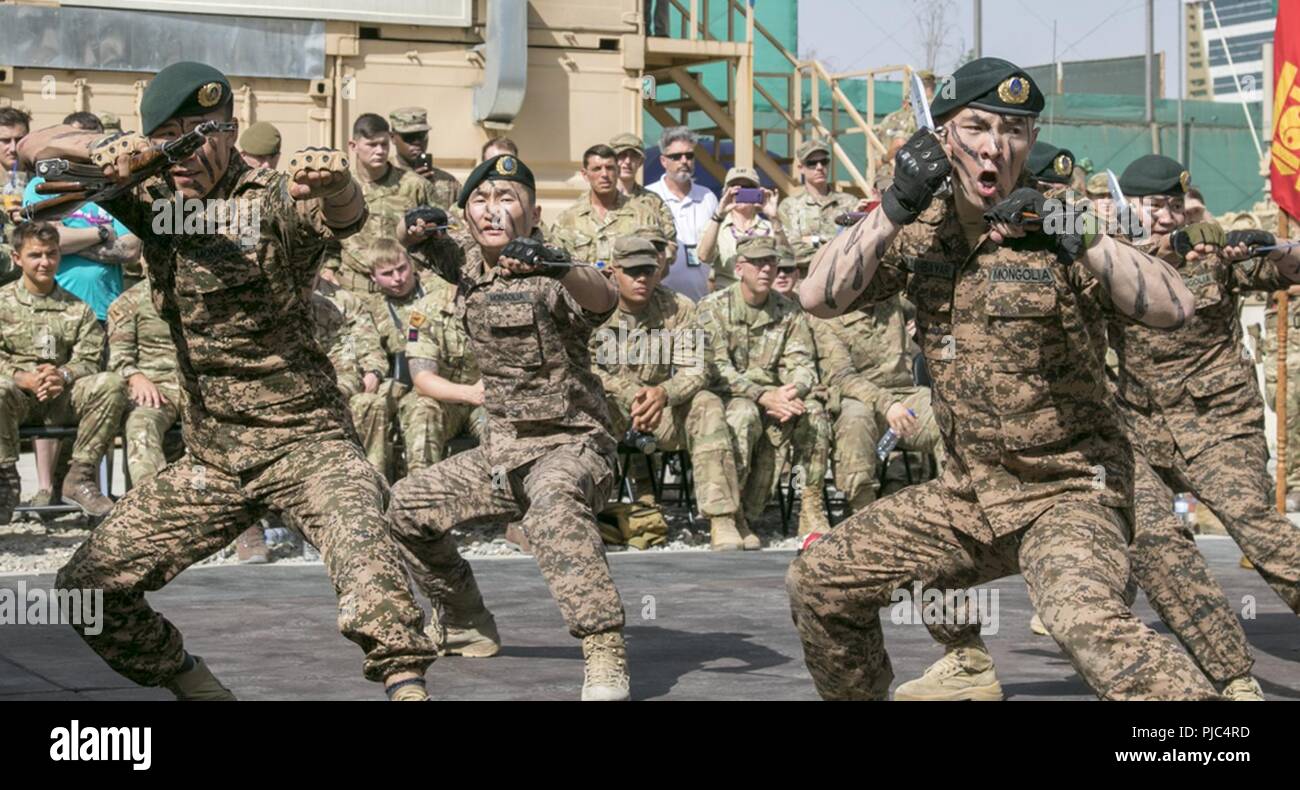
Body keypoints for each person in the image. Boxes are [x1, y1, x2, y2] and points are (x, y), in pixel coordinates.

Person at [788, 57, 1220, 701]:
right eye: (978, 127)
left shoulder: (1063, 217)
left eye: (1016, 130)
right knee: (819, 581)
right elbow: (817, 297)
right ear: (943, 137)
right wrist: (890, 209)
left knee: (1085, 622)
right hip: (969, 497)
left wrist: (1074, 235)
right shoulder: (919, 227)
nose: (997, 146)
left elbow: (1173, 305)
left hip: (1070, 492)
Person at [28, 61, 438, 700]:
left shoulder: (271, 197)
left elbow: (344, 215)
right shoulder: (152, 192)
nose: (185, 154)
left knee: (368, 564)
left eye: (201, 135)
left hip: (309, 445)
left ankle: (408, 689)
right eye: (169, 138)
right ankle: (195, 686)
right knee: (86, 591)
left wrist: (334, 184)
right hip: (215, 457)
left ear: (229, 133)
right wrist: (105, 149)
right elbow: (33, 149)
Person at [392, 154, 631, 700]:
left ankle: (603, 649)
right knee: (406, 507)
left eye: (507, 199)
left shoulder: (554, 271)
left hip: (571, 445)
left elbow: (604, 297)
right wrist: (411, 230)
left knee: (552, 508)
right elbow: (419, 243)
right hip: (501, 451)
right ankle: (464, 621)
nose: (493, 211)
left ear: (534, 211)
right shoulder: (470, 265)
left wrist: (557, 264)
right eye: (481, 200)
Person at [1106, 154, 1300, 616]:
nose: (1166, 216)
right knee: (1147, 532)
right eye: (1155, 205)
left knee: (1253, 523)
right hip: (1143, 429)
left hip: (1219, 425)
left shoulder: (1209, 255)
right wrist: (1169, 244)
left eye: (1175, 205)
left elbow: (1293, 270)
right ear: (1125, 205)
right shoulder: (1106, 254)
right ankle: (1123, 611)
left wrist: (1271, 244)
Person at [591, 234, 744, 548]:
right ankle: (582, 514)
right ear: (612, 271)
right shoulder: (591, 306)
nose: (642, 278)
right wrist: (629, 392)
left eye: (649, 270)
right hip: (608, 414)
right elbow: (583, 365)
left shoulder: (678, 307)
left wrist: (663, 393)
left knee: (706, 402)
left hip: (659, 413)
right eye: (632, 271)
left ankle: (722, 517)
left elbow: (696, 368)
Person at [696, 236, 830, 541]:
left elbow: (803, 362)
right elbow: (715, 370)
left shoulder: (788, 310)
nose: (767, 269)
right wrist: (763, 396)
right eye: (758, 263)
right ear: (740, 267)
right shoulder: (712, 308)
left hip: (777, 397)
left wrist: (792, 393)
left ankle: (810, 507)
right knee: (743, 414)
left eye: (771, 262)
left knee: (813, 411)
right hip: (731, 398)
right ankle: (734, 513)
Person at [0, 221, 125, 520]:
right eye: (36, 255)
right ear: (17, 258)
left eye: (52, 254)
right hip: (14, 401)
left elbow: (90, 360)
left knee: (111, 383)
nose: (45, 262)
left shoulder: (78, 308)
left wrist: (63, 376)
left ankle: (79, 478)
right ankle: (5, 480)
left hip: (61, 399)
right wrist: (22, 378)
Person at [320, 113, 438, 299]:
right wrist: (328, 269)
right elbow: (328, 239)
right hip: (355, 292)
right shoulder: (339, 189)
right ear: (353, 146)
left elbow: (440, 233)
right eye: (372, 144)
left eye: (384, 144)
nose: (380, 150)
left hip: (405, 290)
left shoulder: (414, 185)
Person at [359, 239, 441, 477]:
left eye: (402, 268)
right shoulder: (371, 307)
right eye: (387, 273)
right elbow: (370, 350)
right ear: (373, 278)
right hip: (398, 379)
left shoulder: (437, 290)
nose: (398, 278)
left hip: (440, 378)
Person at [549, 143, 672, 265]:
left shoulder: (643, 215)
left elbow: (660, 264)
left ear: (618, 171)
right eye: (597, 169)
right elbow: (556, 266)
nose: (604, 175)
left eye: (610, 168)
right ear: (585, 175)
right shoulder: (567, 220)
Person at [647, 126, 718, 301]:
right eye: (676, 156)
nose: (684, 161)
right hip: (660, 304)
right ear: (663, 161)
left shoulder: (707, 196)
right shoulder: (648, 197)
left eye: (689, 155)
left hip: (702, 301)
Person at [697, 166, 788, 290]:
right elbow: (704, 257)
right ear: (726, 192)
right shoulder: (715, 225)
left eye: (748, 189)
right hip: (727, 297)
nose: (741, 192)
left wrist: (774, 218)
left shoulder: (770, 226)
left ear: (758, 192)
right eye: (735, 189)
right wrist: (719, 215)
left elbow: (786, 257)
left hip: (763, 297)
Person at [777, 139, 865, 253]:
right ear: (801, 168)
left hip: (841, 268)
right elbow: (792, 249)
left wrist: (813, 240)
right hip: (807, 270)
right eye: (812, 163)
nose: (819, 167)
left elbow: (855, 243)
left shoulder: (850, 202)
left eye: (824, 161)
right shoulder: (789, 206)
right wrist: (836, 242)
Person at [609, 132, 677, 252]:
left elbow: (671, 243)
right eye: (622, 155)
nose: (627, 161)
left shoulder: (653, 202)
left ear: (640, 162)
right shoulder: (598, 200)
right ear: (611, 160)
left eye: (634, 156)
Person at [388, 107, 461, 211]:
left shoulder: (448, 183)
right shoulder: (382, 178)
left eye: (421, 135)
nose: (417, 142)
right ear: (392, 138)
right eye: (409, 137)